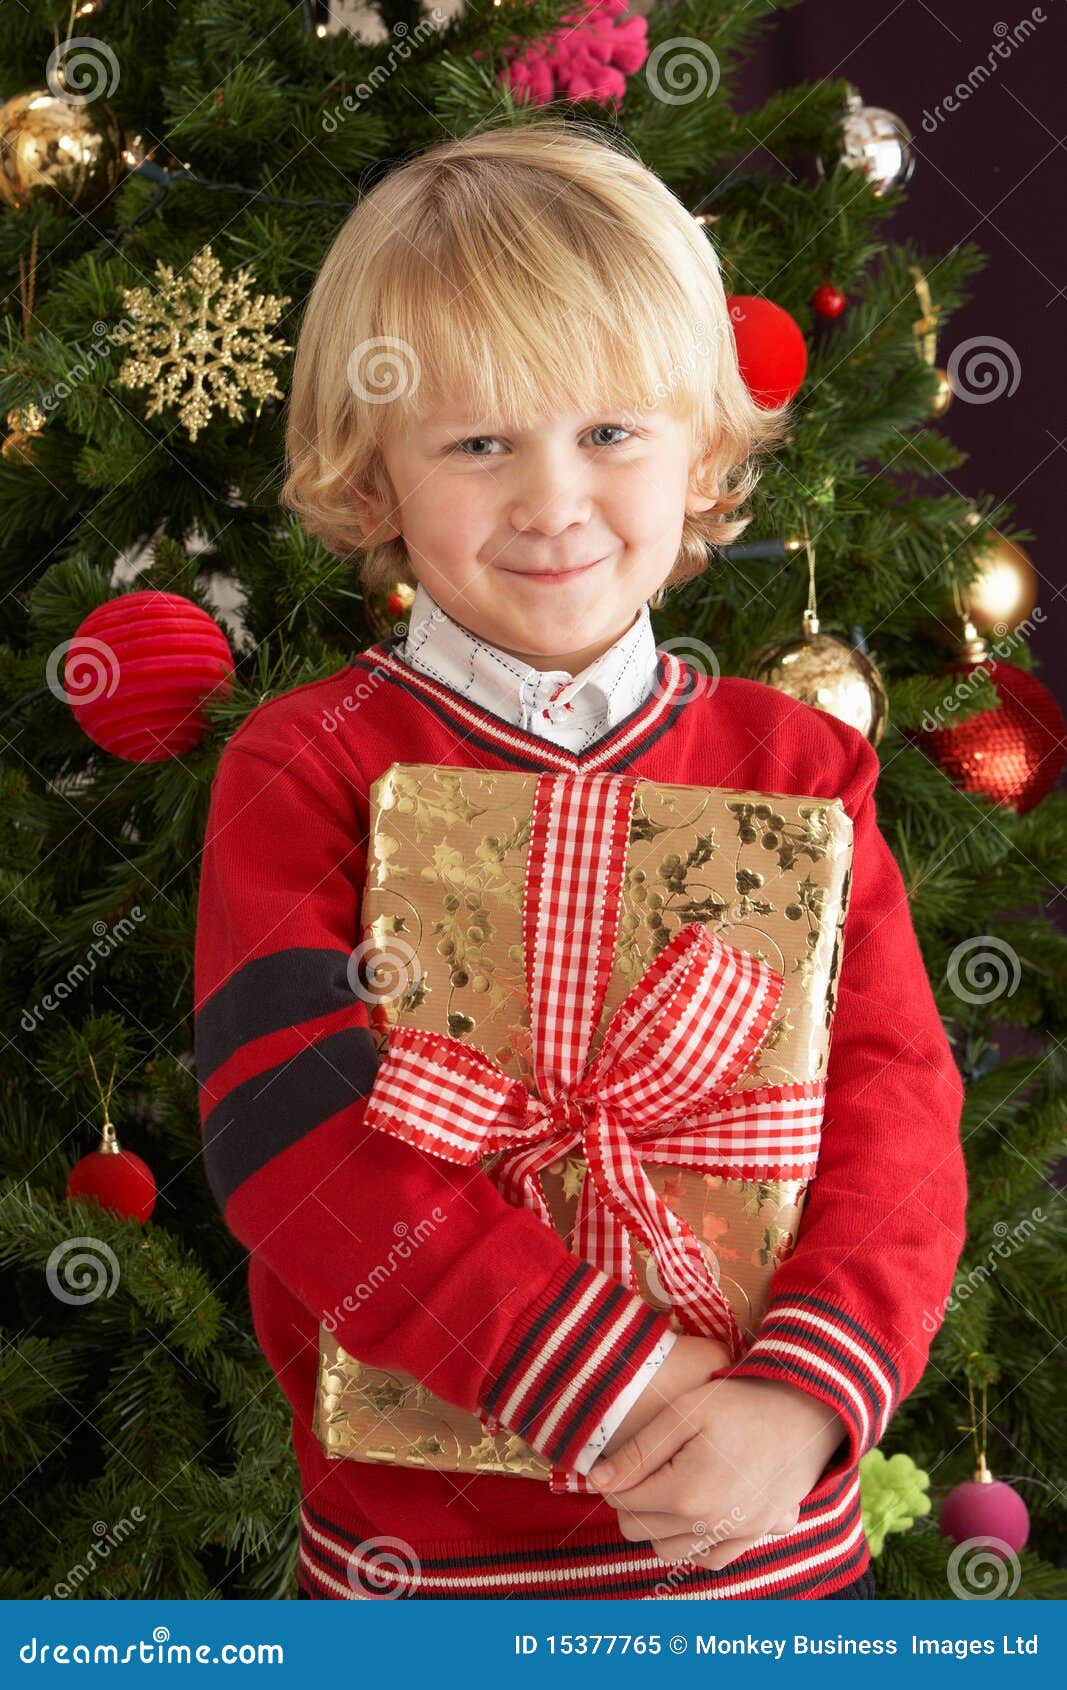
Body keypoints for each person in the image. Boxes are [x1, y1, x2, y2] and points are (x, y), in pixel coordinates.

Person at [194, 116, 967, 1601]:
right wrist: (608, 1379)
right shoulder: (308, 763)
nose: (552, 501)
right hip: (430, 1589)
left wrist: (798, 1398)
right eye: (480, 443)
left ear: (700, 453)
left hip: (768, 1568)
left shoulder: (799, 765)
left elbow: (898, 1112)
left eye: (610, 432)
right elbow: (295, 1138)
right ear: (377, 483)